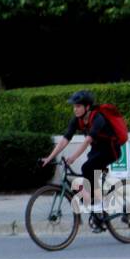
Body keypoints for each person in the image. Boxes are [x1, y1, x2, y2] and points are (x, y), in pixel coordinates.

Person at [39, 90, 119, 228]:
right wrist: (49, 157)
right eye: (74, 106)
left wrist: (73, 157)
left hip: (111, 150)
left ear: (87, 107)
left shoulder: (98, 117)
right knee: (83, 179)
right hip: (97, 150)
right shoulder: (77, 120)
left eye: (78, 106)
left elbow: (88, 140)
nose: (75, 109)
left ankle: (100, 205)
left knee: (87, 168)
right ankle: (97, 212)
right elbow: (65, 139)